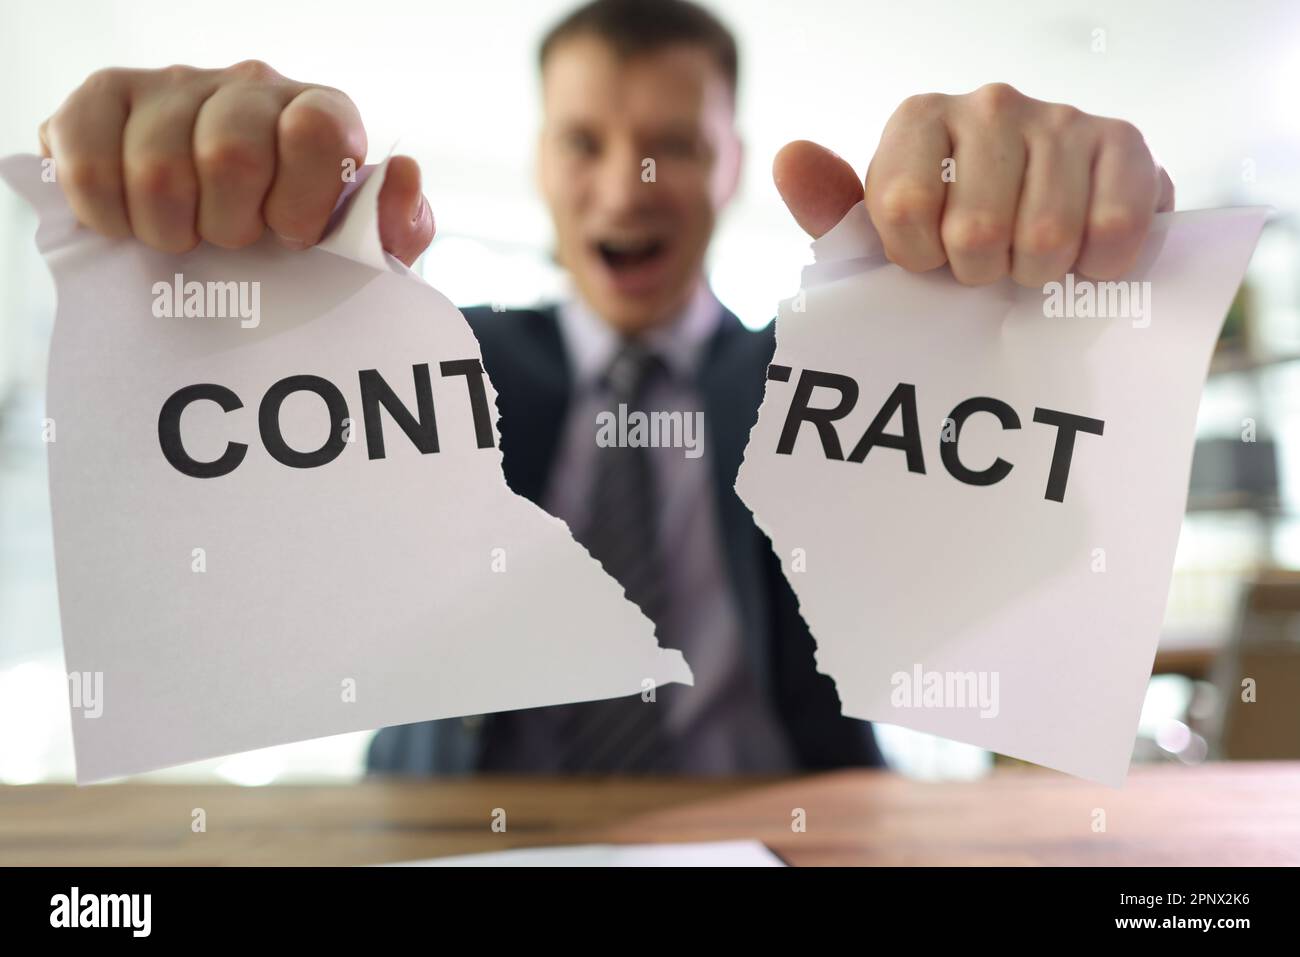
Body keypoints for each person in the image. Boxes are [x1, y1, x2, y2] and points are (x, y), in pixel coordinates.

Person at [39, 0, 1174, 775]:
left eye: (671, 145)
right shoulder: (422, 373)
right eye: (584, 142)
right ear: (540, 160)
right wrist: (204, 284)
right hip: (450, 843)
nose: (622, 190)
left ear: (731, 163)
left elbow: (1021, 618)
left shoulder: (837, 385)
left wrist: (1028, 322)